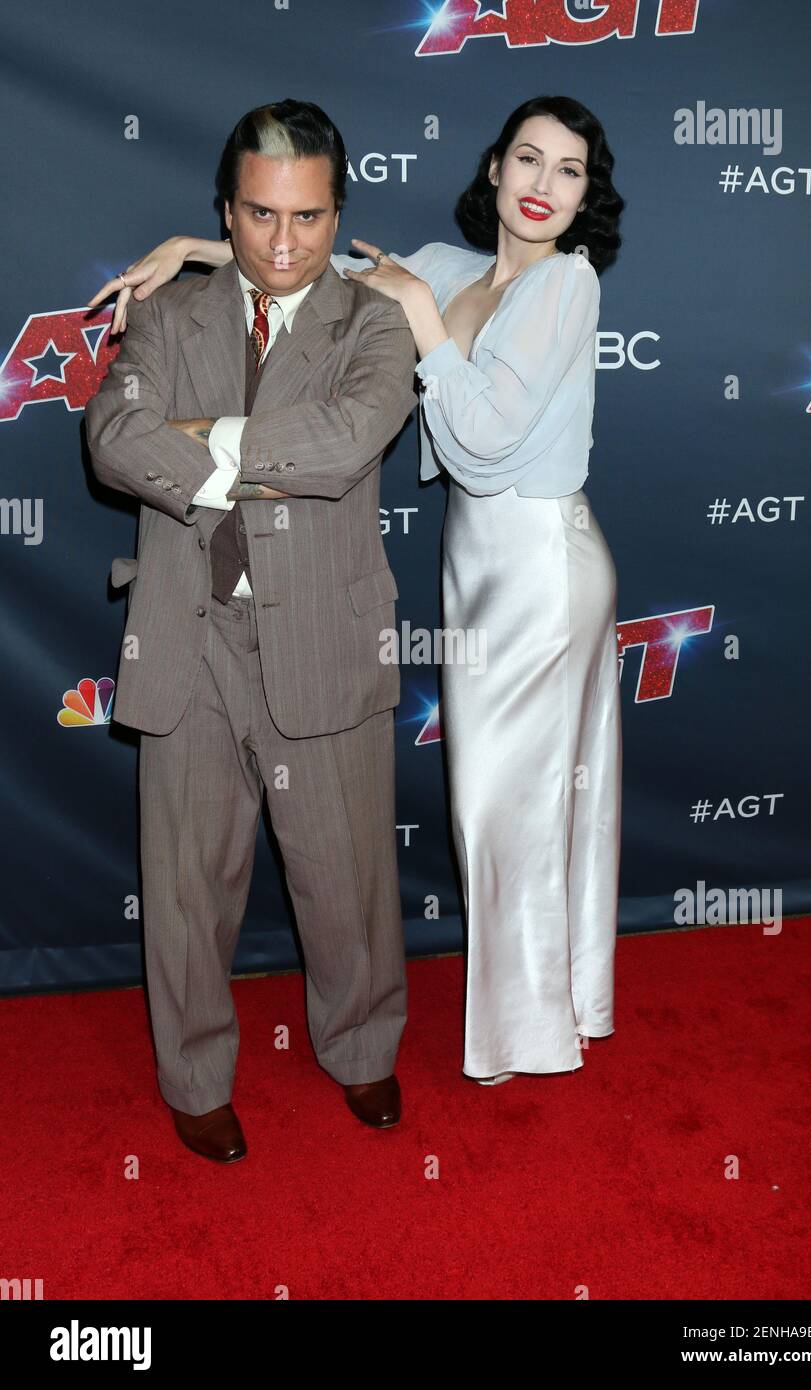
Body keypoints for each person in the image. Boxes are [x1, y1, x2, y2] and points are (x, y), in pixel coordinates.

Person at [92, 94, 625, 1088]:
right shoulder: (453, 266)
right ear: (495, 167)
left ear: (588, 193)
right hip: (468, 569)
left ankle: (525, 1032)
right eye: (526, 158)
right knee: (490, 809)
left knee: (512, 808)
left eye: (567, 170)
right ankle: (545, 1004)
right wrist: (189, 248)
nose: (541, 185)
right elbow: (307, 265)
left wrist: (203, 442)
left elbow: (459, 439)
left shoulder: (560, 285)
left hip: (540, 566)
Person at [85, 99, 419, 1162]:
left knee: (348, 874)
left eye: (310, 218)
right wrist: (238, 448)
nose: (284, 244)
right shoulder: (167, 314)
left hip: (324, 631)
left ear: (339, 212)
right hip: (186, 634)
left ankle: (362, 1048)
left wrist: (200, 438)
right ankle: (192, 1073)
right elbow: (110, 439)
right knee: (185, 883)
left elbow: (345, 442)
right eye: (261, 215)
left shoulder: (372, 320)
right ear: (224, 212)